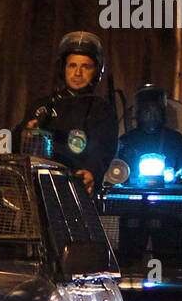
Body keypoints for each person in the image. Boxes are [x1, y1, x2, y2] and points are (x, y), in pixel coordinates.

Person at [16, 30, 118, 195]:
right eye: (72, 65)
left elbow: (102, 147)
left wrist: (91, 172)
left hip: (76, 188)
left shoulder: (101, 109)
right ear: (63, 69)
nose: (78, 73)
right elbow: (14, 145)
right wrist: (25, 131)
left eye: (85, 66)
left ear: (97, 72)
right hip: (38, 188)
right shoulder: (43, 106)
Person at [117, 84, 182, 183]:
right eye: (147, 111)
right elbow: (116, 168)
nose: (152, 115)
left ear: (162, 113)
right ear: (139, 113)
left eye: (156, 110)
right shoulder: (127, 141)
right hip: (134, 195)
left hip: (168, 195)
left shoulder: (174, 139)